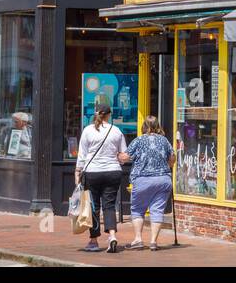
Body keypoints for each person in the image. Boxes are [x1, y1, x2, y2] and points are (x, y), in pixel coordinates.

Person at [74, 103, 126, 253]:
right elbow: (123, 156)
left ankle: (94, 241)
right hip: (113, 172)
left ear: (96, 114)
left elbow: (82, 155)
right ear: (109, 115)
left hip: (92, 173)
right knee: (109, 206)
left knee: (94, 207)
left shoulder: (88, 130)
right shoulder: (116, 131)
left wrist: (77, 173)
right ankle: (112, 236)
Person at [122, 115, 175, 251]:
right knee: (157, 210)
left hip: (143, 179)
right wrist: (167, 165)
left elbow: (125, 157)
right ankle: (153, 242)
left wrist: (117, 155)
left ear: (144, 126)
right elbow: (172, 158)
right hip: (163, 179)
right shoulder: (164, 140)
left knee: (138, 209)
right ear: (158, 126)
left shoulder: (138, 140)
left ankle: (138, 239)